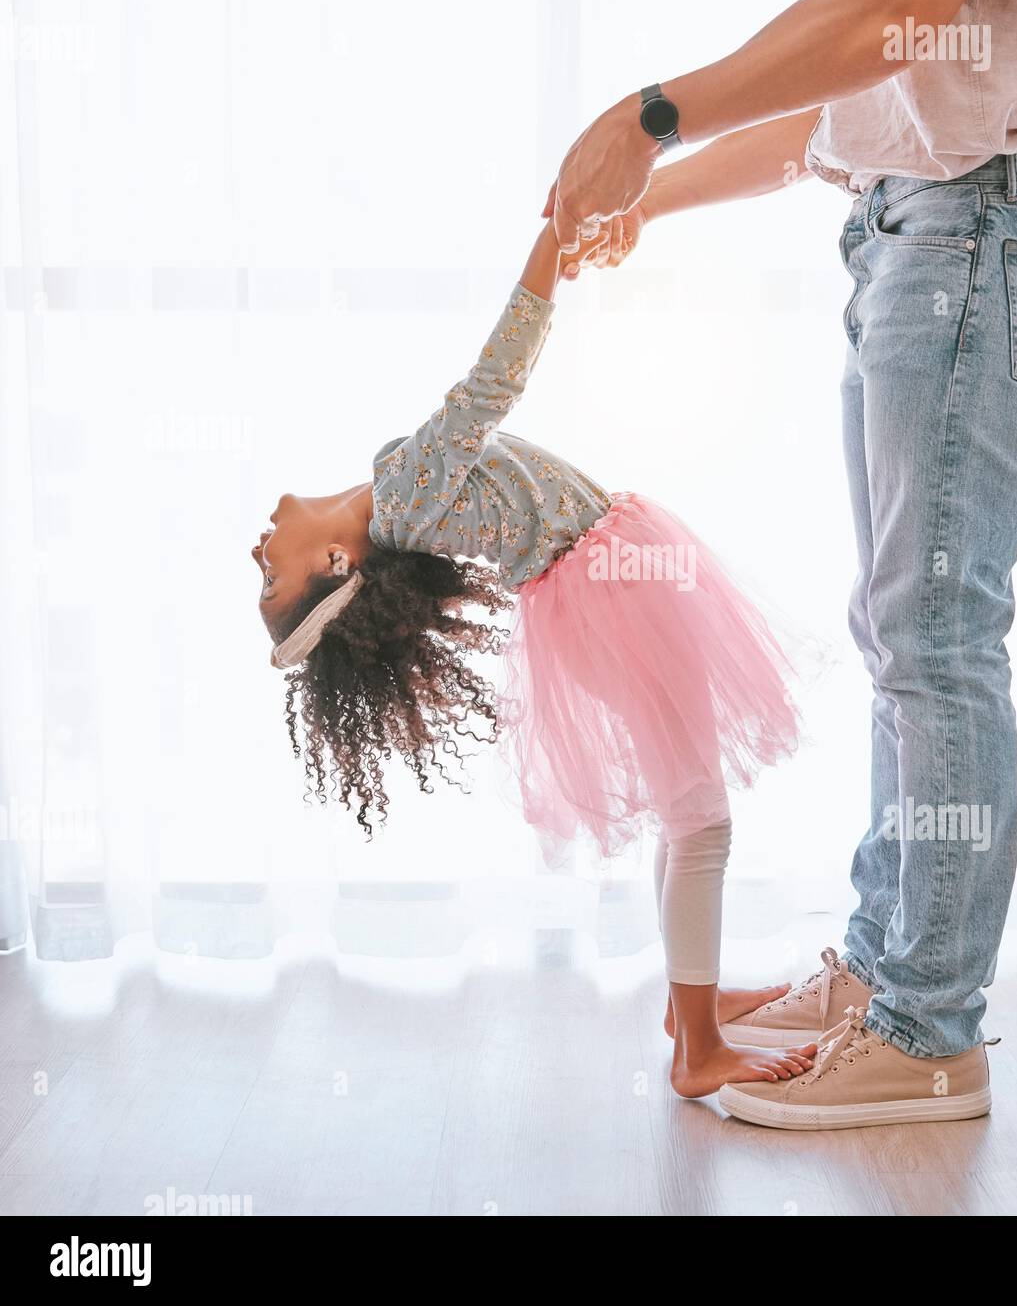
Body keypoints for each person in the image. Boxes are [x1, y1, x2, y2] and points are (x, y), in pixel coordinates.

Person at [549, 0, 1017, 1129]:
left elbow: (881, 12)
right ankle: (881, 974)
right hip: (926, 226)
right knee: (902, 637)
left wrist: (649, 116)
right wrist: (652, 197)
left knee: (935, 640)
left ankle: (926, 1035)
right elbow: (856, 101)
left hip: (982, 229)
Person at [251, 221, 819, 1097]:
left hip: (612, 589)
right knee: (701, 820)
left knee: (688, 812)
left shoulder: (391, 480)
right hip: (618, 599)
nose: (257, 555)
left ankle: (689, 1007)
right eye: (267, 582)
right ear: (334, 567)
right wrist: (555, 244)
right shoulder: (404, 494)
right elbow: (491, 381)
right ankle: (698, 1049)